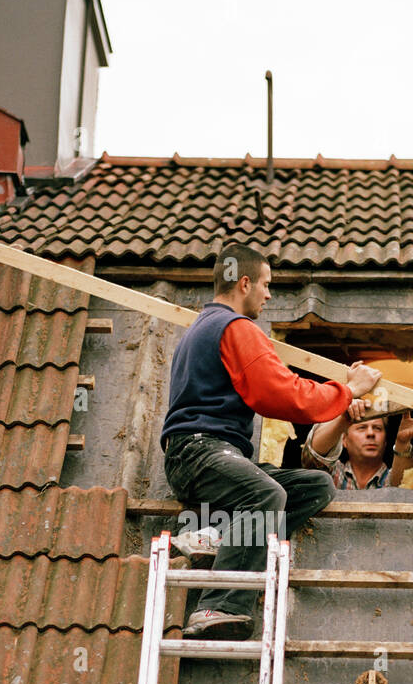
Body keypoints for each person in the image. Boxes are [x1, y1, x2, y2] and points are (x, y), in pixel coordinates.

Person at [161, 241, 382, 637]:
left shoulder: (200, 328)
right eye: (266, 284)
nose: (269, 293)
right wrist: (347, 391)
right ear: (244, 283)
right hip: (201, 452)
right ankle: (217, 608)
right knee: (266, 495)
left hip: (211, 457)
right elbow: (283, 395)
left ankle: (220, 537)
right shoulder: (234, 328)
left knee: (314, 486)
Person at [301, 408, 413, 489]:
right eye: (361, 428)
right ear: (344, 441)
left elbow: (406, 489)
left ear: (385, 441)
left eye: (377, 428)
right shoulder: (332, 474)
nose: (371, 433)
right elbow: (313, 458)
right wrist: (344, 419)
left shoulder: (391, 477)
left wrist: (402, 443)